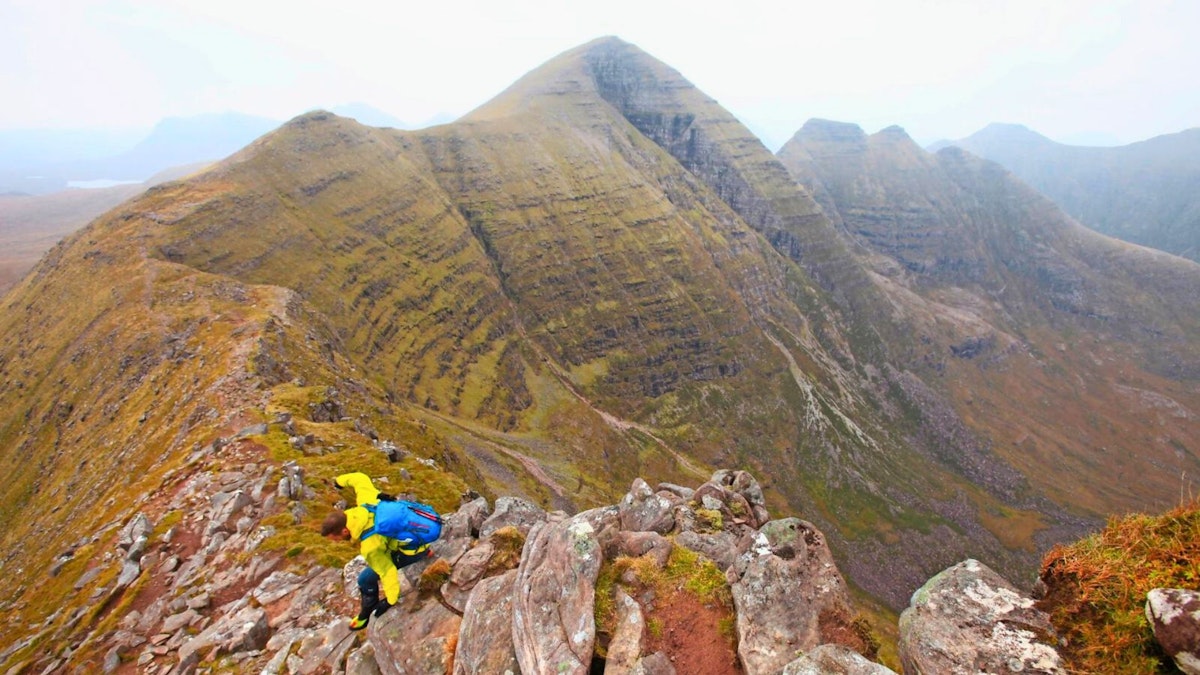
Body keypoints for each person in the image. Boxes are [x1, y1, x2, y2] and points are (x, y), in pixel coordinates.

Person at [321, 472, 434, 631]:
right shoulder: (366, 502)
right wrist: (339, 481)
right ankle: (424, 550)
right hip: (418, 528)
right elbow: (360, 479)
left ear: (345, 531)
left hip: (413, 549)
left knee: (365, 579)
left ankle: (365, 615)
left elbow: (388, 571)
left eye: (335, 538)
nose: (336, 542)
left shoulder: (370, 546)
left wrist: (390, 600)